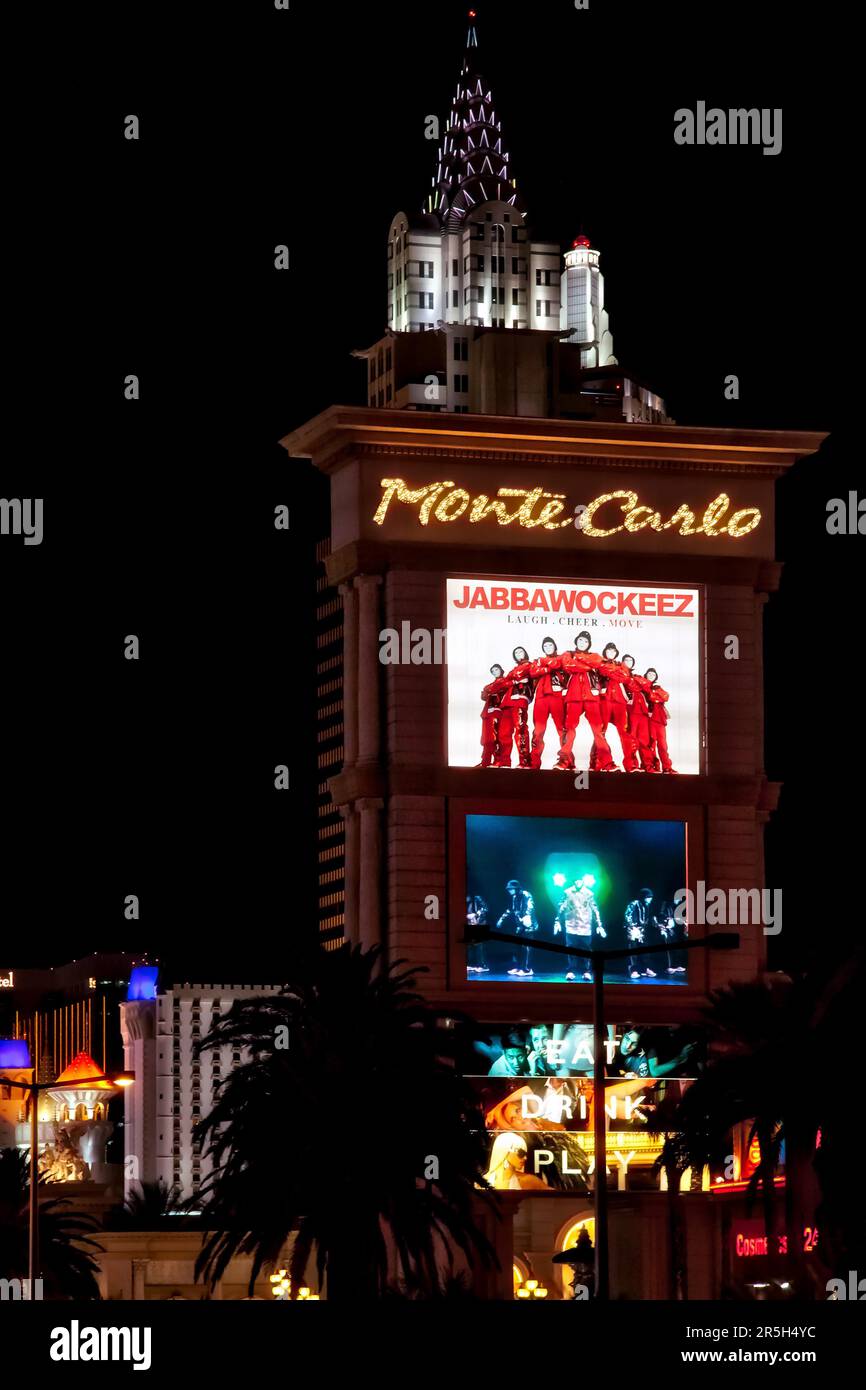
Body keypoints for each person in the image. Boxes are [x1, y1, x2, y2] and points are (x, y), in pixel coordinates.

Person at [555, 632, 615, 772]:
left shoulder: (594, 656)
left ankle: (607, 762)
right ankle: (565, 760)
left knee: (598, 731)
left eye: (586, 641)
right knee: (569, 729)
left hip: (591, 696)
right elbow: (568, 665)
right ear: (576, 641)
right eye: (580, 640)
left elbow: (596, 662)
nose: (583, 643)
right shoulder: (568, 654)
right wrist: (587, 664)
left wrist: (581, 660)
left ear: (589, 644)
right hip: (573, 696)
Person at [592, 641, 638, 772]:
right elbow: (603, 670)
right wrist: (616, 672)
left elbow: (625, 677)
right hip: (604, 699)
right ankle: (598, 762)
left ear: (616, 653)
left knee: (624, 732)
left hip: (619, 701)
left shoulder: (620, 665)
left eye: (613, 651)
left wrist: (612, 671)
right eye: (608, 651)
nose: (611, 653)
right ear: (605, 652)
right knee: (601, 731)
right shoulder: (600, 663)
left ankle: (630, 765)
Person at [554, 873, 607, 980]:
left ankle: (586, 971)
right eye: (576, 880)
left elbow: (595, 908)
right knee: (571, 949)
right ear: (573, 881)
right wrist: (557, 921)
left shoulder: (588, 893)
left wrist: (599, 925)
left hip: (585, 926)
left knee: (586, 950)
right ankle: (570, 970)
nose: (578, 882)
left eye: (580, 880)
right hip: (571, 925)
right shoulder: (568, 892)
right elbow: (561, 906)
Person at [529, 636, 567, 768]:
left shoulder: (561, 658)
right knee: (538, 730)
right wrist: (548, 668)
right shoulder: (537, 661)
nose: (548, 648)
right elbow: (533, 672)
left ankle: (567, 761)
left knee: (562, 729)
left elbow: (559, 665)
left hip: (557, 697)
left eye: (550, 645)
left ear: (555, 646)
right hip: (541, 698)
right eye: (545, 646)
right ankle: (534, 762)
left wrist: (544, 664)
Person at [498, 647, 535, 768]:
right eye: (516, 653)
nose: (519, 654)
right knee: (503, 733)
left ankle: (525, 761)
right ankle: (504, 762)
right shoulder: (514, 669)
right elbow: (504, 682)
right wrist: (513, 681)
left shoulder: (530, 665)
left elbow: (515, 675)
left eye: (521, 651)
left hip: (519, 699)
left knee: (521, 730)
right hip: (506, 703)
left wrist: (511, 679)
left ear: (526, 653)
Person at [617, 1026, 698, 1078]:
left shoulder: (648, 1047)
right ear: (623, 1035)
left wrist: (680, 1058)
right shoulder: (613, 1049)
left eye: (634, 1043)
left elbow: (654, 1071)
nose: (628, 1046)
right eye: (627, 1039)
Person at [496, 879, 539, 976]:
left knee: (527, 948)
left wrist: (527, 916)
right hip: (520, 926)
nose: (509, 891)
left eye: (511, 889)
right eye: (509, 889)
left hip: (529, 926)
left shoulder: (526, 894)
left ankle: (528, 969)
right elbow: (511, 909)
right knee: (518, 947)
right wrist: (502, 919)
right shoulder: (514, 897)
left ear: (516, 888)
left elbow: (530, 906)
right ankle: (519, 967)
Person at [483, 1132, 548, 1191]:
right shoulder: (483, 1181)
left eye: (525, 1154)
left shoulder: (529, 1180)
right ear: (505, 1151)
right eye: (521, 1153)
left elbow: (555, 1197)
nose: (525, 1158)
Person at [645, 668, 677, 773]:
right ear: (646, 674)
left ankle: (667, 767)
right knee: (650, 744)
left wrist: (655, 695)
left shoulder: (657, 687)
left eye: (653, 674)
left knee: (663, 745)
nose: (651, 675)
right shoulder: (642, 685)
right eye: (649, 673)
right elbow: (651, 697)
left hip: (659, 719)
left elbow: (665, 696)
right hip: (648, 719)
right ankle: (652, 766)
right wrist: (656, 697)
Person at [477, 664, 509, 768]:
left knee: (495, 737)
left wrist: (489, 690)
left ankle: (497, 760)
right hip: (487, 713)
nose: (495, 672)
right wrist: (488, 690)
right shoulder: (493, 684)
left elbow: (491, 689)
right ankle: (485, 761)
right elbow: (484, 695)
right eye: (493, 671)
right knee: (486, 738)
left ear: (501, 670)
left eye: (496, 669)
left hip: (497, 712)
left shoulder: (505, 681)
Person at [624, 887, 658, 979]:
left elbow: (646, 918)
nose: (650, 899)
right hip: (633, 930)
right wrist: (632, 927)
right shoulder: (634, 904)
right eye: (648, 897)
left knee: (644, 950)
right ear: (643, 897)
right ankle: (633, 970)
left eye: (651, 897)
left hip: (641, 931)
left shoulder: (646, 906)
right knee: (633, 950)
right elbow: (627, 915)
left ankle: (645, 969)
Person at [465, 893, 490, 974]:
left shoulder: (478, 898)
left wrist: (475, 915)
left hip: (480, 925)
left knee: (480, 945)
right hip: (471, 925)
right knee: (470, 945)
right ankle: (472, 964)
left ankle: (483, 965)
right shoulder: (467, 903)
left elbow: (485, 909)